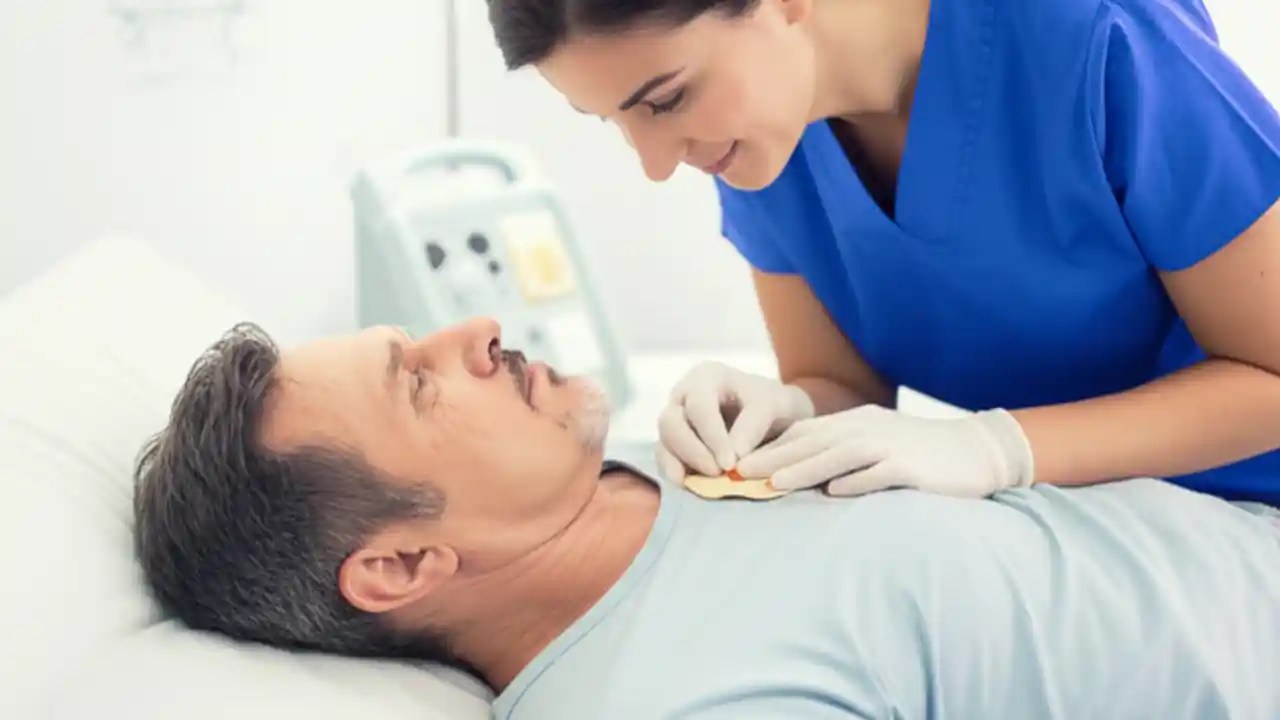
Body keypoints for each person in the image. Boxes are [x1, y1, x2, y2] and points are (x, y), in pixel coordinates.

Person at [132, 319, 1280, 719]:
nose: (475, 329)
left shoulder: (645, 468)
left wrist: (813, 407)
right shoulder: (669, 702)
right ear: (400, 566)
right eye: (420, 384)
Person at [483, 0, 1280, 507]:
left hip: (1246, 509)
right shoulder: (761, 135)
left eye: (664, 101)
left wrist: (998, 448)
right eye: (615, 122)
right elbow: (840, 383)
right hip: (1072, 516)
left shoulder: (1091, 35)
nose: (656, 163)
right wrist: (785, 411)